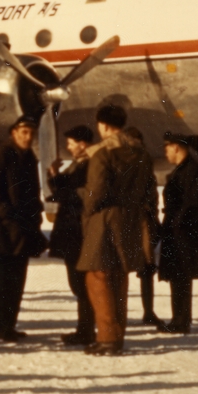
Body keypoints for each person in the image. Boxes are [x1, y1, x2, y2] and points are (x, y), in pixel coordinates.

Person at [76, 104, 157, 355]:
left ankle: (108, 338)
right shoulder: (141, 153)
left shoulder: (103, 153)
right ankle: (117, 334)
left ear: (103, 125)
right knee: (119, 277)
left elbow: (95, 191)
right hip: (131, 219)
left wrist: (86, 209)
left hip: (104, 219)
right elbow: (148, 189)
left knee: (97, 277)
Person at [0, 116, 47, 341]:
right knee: (5, 280)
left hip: (24, 228)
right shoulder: (2, 153)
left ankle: (8, 325)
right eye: (23, 132)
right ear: (13, 132)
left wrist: (35, 220)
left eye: (31, 133)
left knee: (17, 280)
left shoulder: (29, 156)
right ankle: (0, 326)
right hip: (6, 229)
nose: (28, 137)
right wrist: (6, 214)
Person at [47, 125, 96, 346]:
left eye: (71, 143)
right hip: (72, 230)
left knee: (81, 284)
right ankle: (84, 328)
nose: (68, 147)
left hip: (77, 230)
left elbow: (78, 194)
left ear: (82, 144)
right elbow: (64, 188)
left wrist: (62, 190)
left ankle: (86, 329)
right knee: (78, 283)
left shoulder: (89, 165)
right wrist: (55, 175)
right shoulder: (78, 164)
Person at [159, 132, 198, 333]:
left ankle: (181, 321)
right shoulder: (183, 170)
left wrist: (176, 223)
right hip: (176, 230)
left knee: (181, 277)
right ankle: (178, 319)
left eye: (167, 148)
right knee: (177, 277)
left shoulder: (192, 171)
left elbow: (192, 202)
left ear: (176, 148)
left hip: (184, 233)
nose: (165, 153)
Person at [122, 126, 165, 329]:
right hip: (142, 220)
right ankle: (147, 311)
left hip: (135, 220)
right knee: (145, 269)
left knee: (124, 268)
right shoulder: (144, 160)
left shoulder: (132, 159)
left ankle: (133, 312)